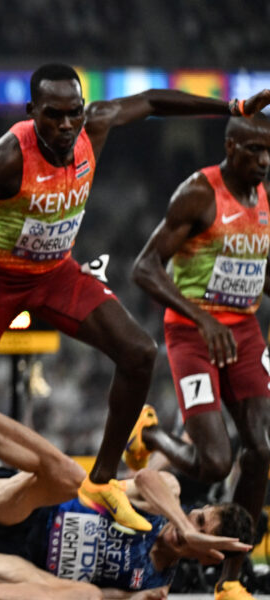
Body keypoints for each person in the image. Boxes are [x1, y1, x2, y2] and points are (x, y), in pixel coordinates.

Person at [0, 63, 270, 534]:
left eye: (74, 114)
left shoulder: (94, 127)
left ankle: (102, 481)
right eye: (53, 116)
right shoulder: (7, 156)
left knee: (139, 352)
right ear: (31, 112)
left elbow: (150, 101)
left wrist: (230, 107)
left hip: (57, 273)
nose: (66, 126)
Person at [129, 113, 270, 600]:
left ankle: (230, 579)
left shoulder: (264, 198)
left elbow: (254, 270)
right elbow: (144, 268)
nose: (265, 162)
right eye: (255, 151)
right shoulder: (198, 193)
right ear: (231, 147)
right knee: (213, 463)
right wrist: (204, 319)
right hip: (193, 332)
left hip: (245, 332)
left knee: (262, 450)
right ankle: (148, 433)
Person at [0, 400, 254, 600]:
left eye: (199, 534)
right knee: (73, 477)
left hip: (0, 565)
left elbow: (98, 597)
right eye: (198, 520)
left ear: (207, 558)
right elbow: (148, 478)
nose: (187, 531)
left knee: (87, 596)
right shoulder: (166, 500)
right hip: (16, 508)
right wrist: (182, 523)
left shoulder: (154, 584)